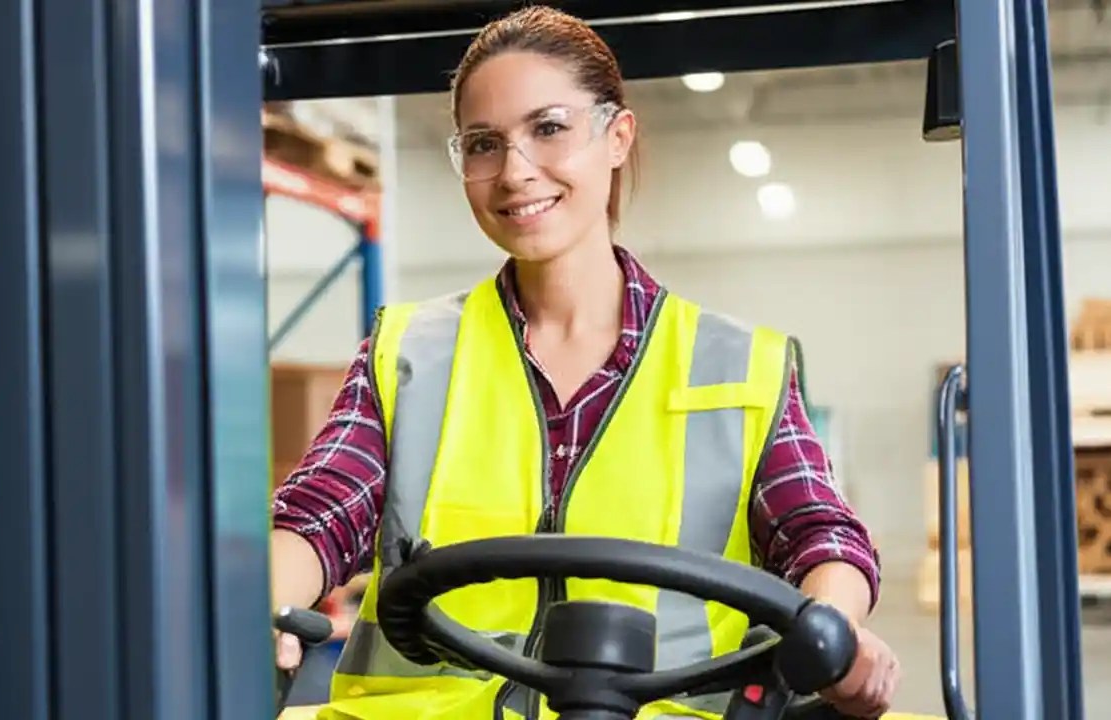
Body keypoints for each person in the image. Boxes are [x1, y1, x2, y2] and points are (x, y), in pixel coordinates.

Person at [270, 6, 900, 719]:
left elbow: (821, 534)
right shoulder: (408, 352)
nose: (514, 172)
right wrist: (259, 606)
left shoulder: (734, 363)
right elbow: (321, 513)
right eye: (483, 143)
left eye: (549, 128)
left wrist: (835, 629)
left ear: (617, 136)